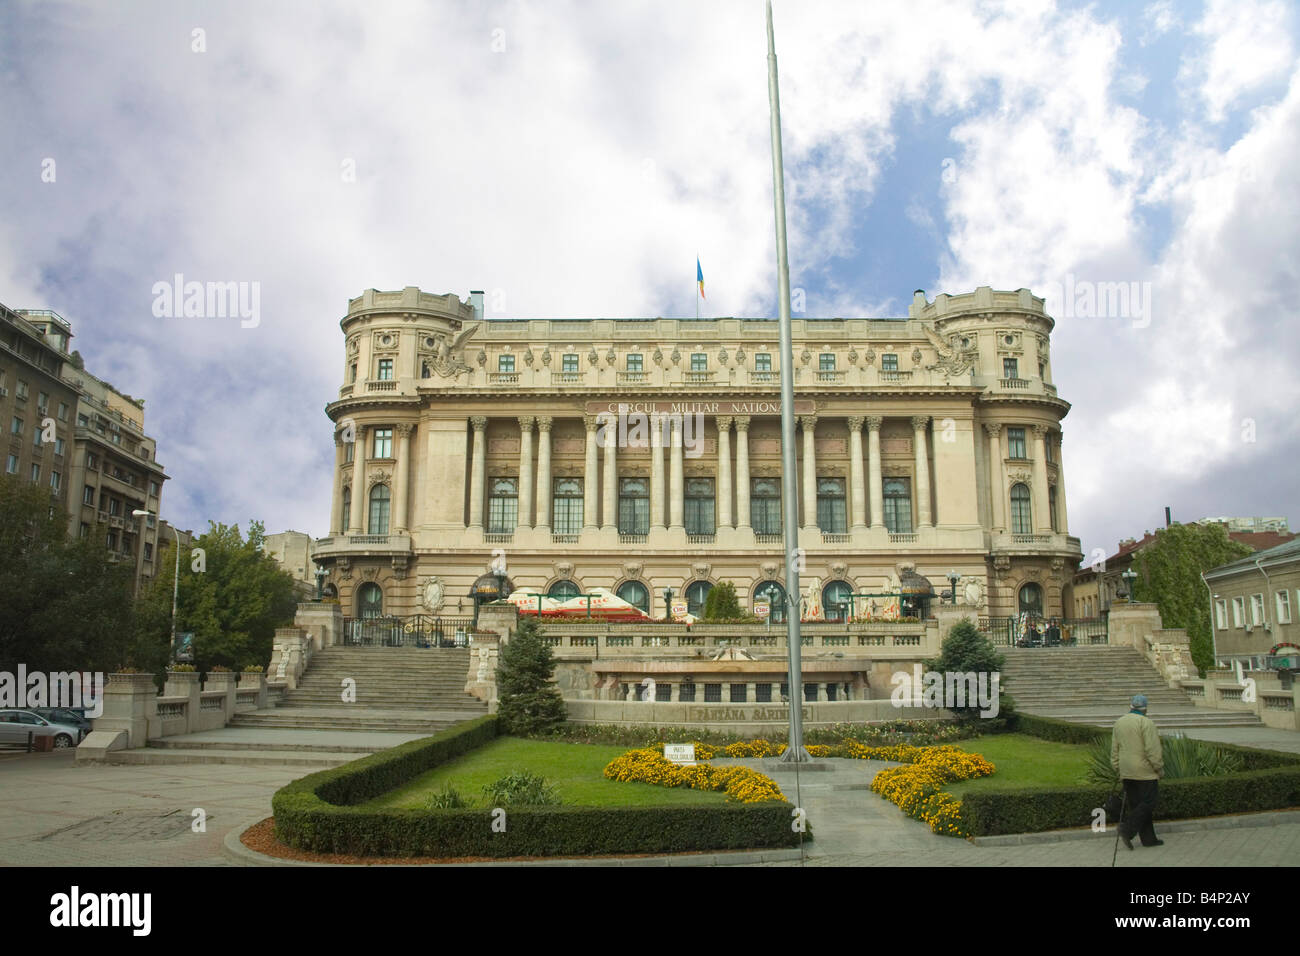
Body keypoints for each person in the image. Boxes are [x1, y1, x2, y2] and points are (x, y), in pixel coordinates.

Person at [1111, 694, 1164, 849]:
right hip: (1144, 771)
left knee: (1137, 806)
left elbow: (1115, 749)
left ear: (1131, 706)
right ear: (1145, 708)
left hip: (1126, 770)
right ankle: (1127, 829)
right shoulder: (1146, 723)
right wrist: (1159, 768)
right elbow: (1152, 750)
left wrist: (1117, 767)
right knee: (1148, 803)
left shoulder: (1119, 722)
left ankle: (1148, 839)